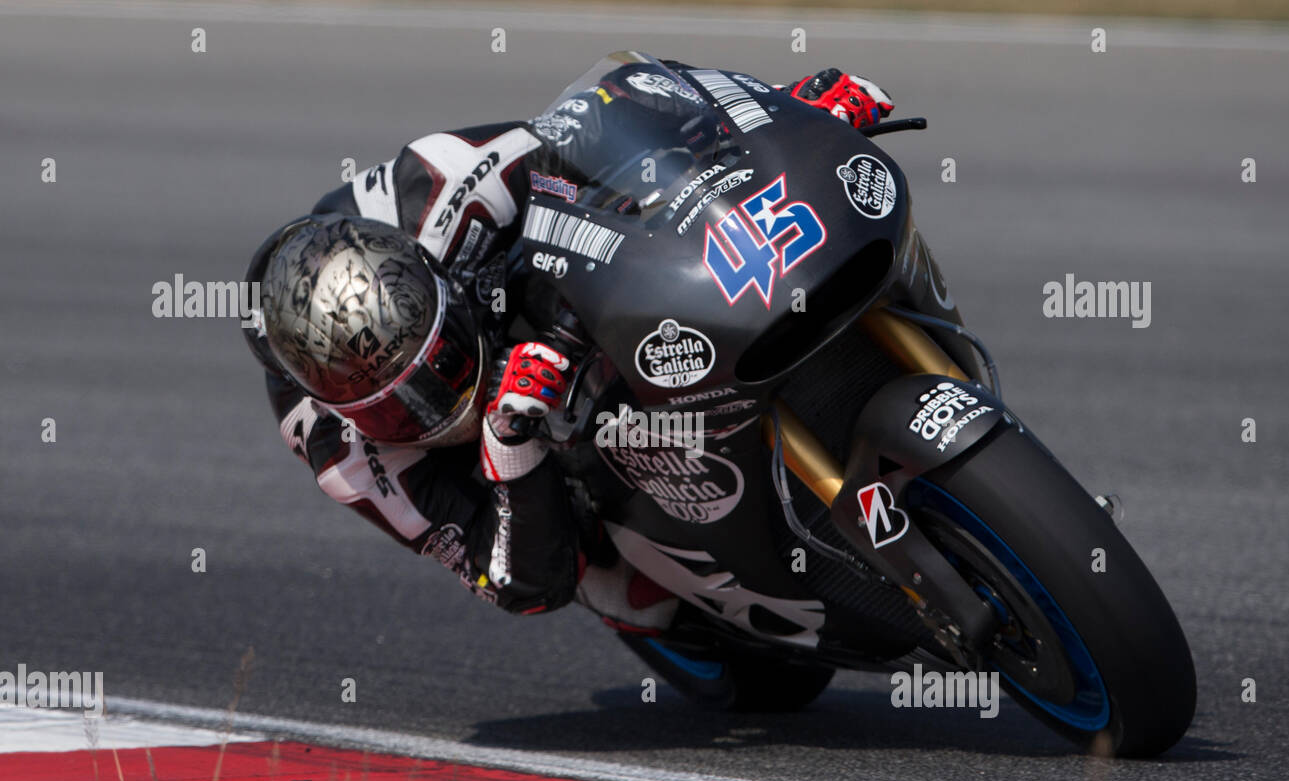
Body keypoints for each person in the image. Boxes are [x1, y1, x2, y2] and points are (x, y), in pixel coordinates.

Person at [241, 56, 892, 632]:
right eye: (396, 410)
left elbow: (607, 118)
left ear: (438, 277)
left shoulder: (448, 187)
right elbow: (513, 584)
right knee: (626, 597)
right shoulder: (341, 452)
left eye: (442, 362)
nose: (443, 403)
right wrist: (510, 448)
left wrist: (785, 112)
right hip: (524, 447)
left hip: (554, 285)